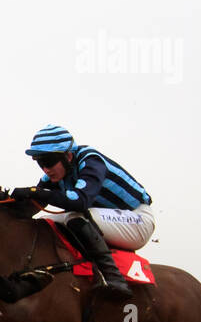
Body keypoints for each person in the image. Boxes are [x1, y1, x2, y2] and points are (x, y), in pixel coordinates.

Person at [8, 124, 154, 297]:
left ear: (68, 156)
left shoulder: (91, 161)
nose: (46, 169)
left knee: (74, 217)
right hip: (108, 221)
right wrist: (3, 205)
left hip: (138, 221)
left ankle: (114, 278)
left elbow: (79, 201)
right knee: (45, 221)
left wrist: (35, 192)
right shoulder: (56, 174)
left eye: (48, 162)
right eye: (40, 163)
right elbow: (31, 208)